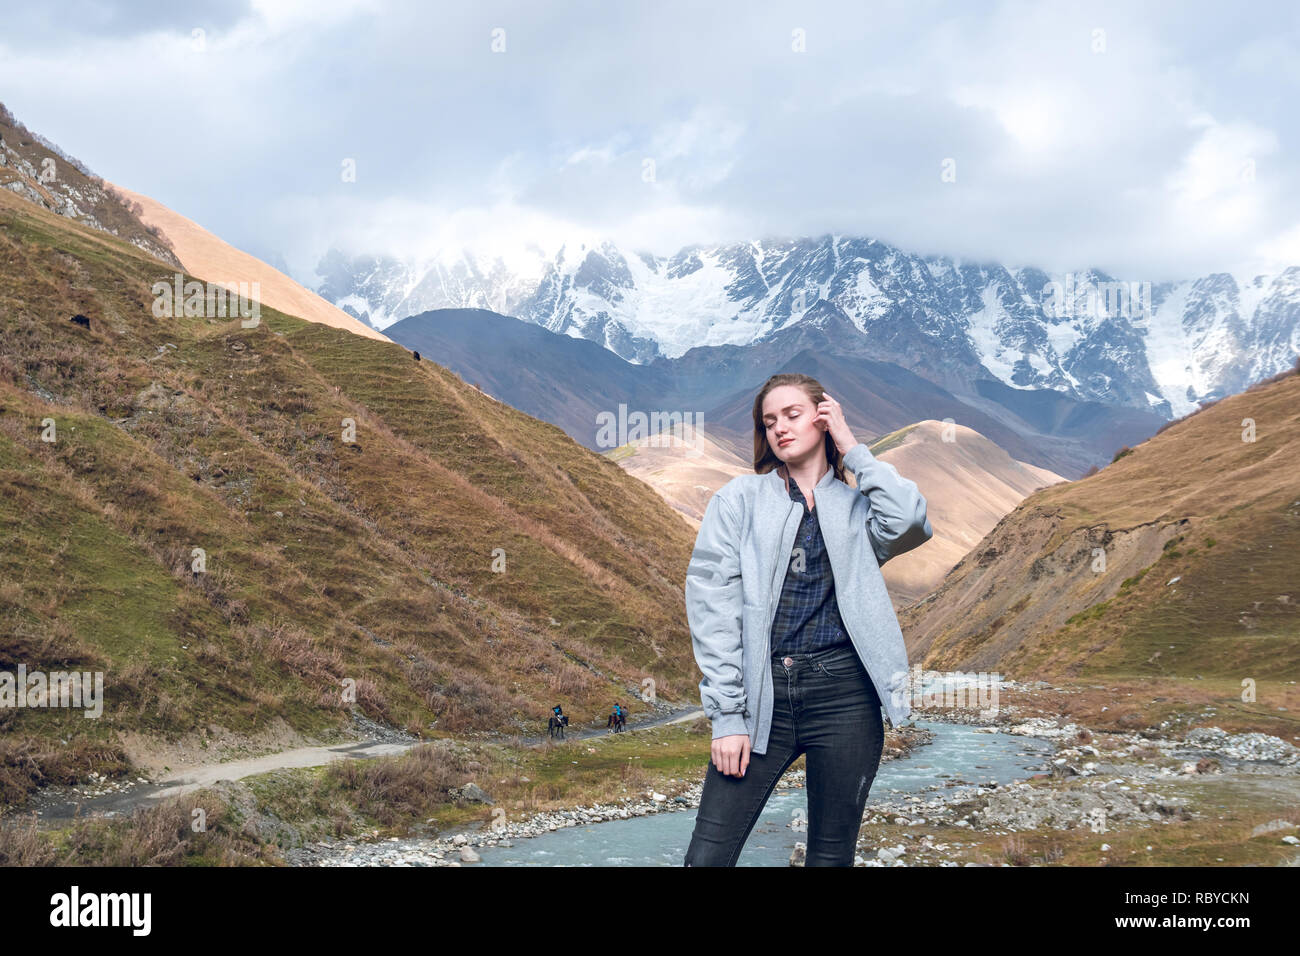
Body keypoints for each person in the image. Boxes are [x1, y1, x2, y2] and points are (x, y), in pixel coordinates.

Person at [683, 373, 932, 866]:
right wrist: (727, 715)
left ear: (823, 418)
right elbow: (710, 602)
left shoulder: (860, 510)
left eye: (792, 415)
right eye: (769, 421)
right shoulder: (739, 500)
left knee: (831, 856)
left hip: (846, 698)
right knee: (707, 856)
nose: (779, 428)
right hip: (761, 696)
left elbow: (909, 521)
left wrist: (853, 448)